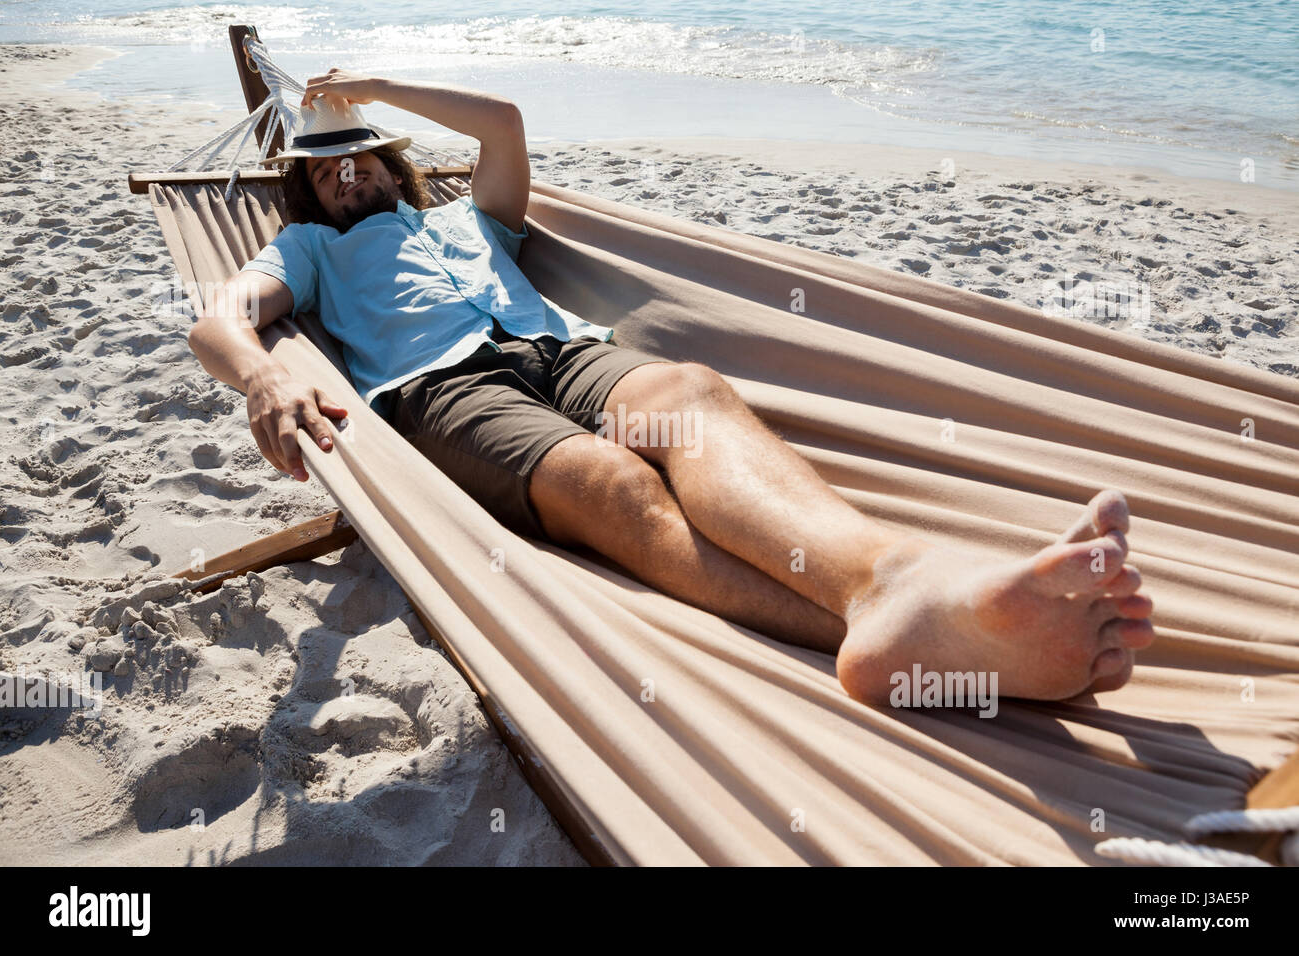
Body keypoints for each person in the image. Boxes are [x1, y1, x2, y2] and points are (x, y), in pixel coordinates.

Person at [187, 69, 1154, 707]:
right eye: (326, 171)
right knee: (614, 486)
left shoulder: (465, 220)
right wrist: (265, 373)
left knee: (692, 392)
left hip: (559, 349)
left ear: (389, 162)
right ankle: (924, 632)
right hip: (441, 391)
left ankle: (900, 586)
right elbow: (219, 319)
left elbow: (505, 123)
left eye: (359, 158)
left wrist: (374, 88)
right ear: (307, 192)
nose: (347, 178)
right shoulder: (309, 249)